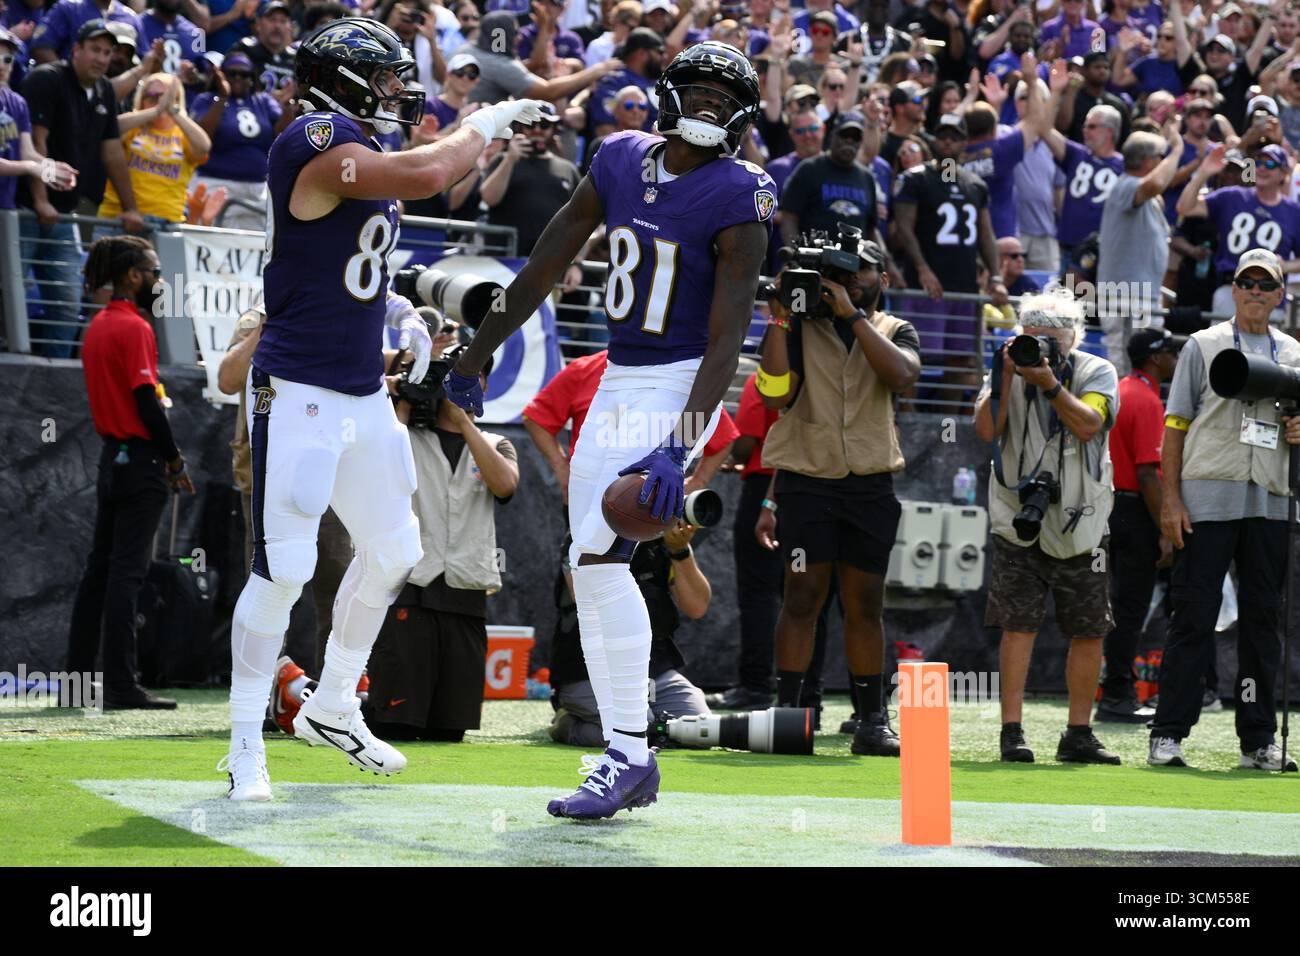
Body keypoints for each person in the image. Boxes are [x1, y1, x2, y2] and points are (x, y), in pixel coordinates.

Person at [218, 16, 545, 801]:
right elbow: (430, 177)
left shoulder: (356, 141)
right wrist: (489, 122)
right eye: (390, 77)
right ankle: (241, 749)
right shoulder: (313, 134)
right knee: (286, 568)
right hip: (295, 390)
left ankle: (333, 703)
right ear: (343, 78)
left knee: (397, 552)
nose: (402, 90)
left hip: (362, 392)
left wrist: (398, 346)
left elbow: (352, 273)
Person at [447, 41, 771, 819]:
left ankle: (630, 751)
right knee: (588, 566)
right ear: (666, 95)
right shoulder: (621, 157)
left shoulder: (742, 192)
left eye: (722, 102)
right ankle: (628, 753)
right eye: (695, 92)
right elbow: (545, 261)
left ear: (742, 119)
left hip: (676, 379)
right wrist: (475, 350)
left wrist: (677, 443)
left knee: (602, 550)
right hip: (619, 374)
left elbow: (727, 339)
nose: (706, 109)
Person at [757, 237, 921, 756]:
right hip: (808, 480)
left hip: (869, 484)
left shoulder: (895, 330)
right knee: (801, 597)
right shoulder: (801, 328)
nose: (851, 279)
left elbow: (903, 378)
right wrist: (780, 318)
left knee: (865, 604)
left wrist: (852, 316)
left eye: (863, 271)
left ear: (883, 280)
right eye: (841, 272)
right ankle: (788, 713)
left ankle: (871, 719)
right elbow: (773, 393)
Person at [1150, 248, 1300, 772]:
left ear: (1280, 295)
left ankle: (1258, 739)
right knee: (1193, 615)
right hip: (1207, 498)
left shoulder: (1295, 354)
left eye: (1267, 283)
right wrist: (1170, 499)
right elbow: (1174, 426)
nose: (1256, 290)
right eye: (1247, 281)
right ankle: (1168, 733)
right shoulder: (1202, 344)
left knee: (1264, 620)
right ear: (1232, 290)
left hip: (1273, 500)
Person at [973, 288, 1122, 765]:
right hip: (1019, 517)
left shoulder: (1097, 371)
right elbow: (983, 431)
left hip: (1082, 519)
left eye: (1052, 342)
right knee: (1018, 625)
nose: (1042, 351)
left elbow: (1087, 425)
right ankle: (1011, 732)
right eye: (1033, 340)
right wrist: (1005, 377)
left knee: (1089, 629)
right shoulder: (1006, 367)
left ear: (1073, 338)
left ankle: (1078, 732)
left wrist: (1051, 384)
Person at [66, 234, 195, 712]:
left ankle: (75, 683)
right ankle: (122, 685)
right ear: (132, 275)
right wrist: (175, 460)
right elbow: (145, 400)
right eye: (153, 271)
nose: (158, 279)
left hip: (110, 460)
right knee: (127, 575)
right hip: (139, 462)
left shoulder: (96, 327)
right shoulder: (134, 326)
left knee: (99, 572)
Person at [368, 348, 518, 742]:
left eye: (471, 378)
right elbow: (381, 473)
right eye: (449, 379)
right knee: (395, 722)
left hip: (466, 594)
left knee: (451, 728)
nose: (458, 388)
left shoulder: (497, 443)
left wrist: (464, 422)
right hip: (409, 587)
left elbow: (505, 486)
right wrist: (404, 400)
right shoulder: (407, 435)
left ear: (482, 386)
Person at [19, 19, 144, 358]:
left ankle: (54, 382)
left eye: (108, 52)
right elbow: (36, 144)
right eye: (95, 50)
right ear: (76, 49)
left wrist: (131, 208)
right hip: (22, 210)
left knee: (67, 299)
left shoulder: (103, 89)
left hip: (64, 215)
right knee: (11, 290)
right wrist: (41, 200)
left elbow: (113, 152)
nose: (102, 58)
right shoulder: (46, 79)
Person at [550, 520, 711, 747]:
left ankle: (649, 720)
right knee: (638, 732)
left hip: (654, 669)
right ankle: (567, 725)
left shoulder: (660, 540)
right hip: (592, 671)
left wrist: (680, 550)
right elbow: (588, 599)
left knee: (701, 731)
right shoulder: (585, 535)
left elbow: (697, 607)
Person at [1098, 327, 1182, 724]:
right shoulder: (1146, 400)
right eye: (1170, 352)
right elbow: (1149, 474)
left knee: (1113, 605)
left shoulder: (1121, 389)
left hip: (1110, 507)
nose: (1176, 359)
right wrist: (1166, 527)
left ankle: (1112, 689)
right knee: (1129, 609)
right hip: (1135, 512)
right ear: (1154, 358)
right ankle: (1117, 695)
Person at [891, 111, 1007, 398]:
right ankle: (910, 426)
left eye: (954, 137)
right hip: (927, 284)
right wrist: (922, 268)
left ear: (964, 142)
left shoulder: (975, 185)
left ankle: (947, 430)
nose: (947, 142)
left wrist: (995, 276)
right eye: (942, 135)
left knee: (961, 361)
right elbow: (904, 228)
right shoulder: (916, 179)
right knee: (913, 359)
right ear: (933, 139)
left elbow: (985, 234)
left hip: (963, 284)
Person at [1176, 142, 1300, 318]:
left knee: (1264, 345)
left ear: (1283, 173)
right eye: (1258, 162)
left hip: (1270, 294)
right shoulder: (1231, 196)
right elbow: (1184, 208)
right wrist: (1203, 172)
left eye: (1270, 164)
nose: (1262, 168)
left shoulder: (1294, 212)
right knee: (1225, 345)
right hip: (1232, 290)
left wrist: (1286, 266)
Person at [1095, 127, 1181, 373]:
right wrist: (1177, 151)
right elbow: (1154, 183)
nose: (1163, 163)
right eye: (1160, 157)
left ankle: (1137, 411)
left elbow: (1156, 187)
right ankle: (1117, 411)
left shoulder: (1147, 196)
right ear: (1147, 160)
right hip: (1125, 293)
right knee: (1124, 366)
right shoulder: (1126, 185)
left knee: (1146, 363)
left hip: (1140, 294)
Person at [191, 53, 292, 231]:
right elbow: (202, 138)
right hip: (215, 183)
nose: (238, 78)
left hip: (257, 187)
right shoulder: (206, 99)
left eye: (244, 74)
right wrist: (222, 97)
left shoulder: (263, 101)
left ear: (252, 78)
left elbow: (281, 137)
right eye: (232, 73)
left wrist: (288, 108)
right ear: (221, 75)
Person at [97, 71, 211, 228]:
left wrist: (173, 111)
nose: (160, 102)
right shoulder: (133, 126)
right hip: (118, 217)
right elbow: (111, 129)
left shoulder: (184, 134)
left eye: (166, 98)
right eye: (152, 97)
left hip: (166, 221)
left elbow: (204, 147)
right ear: (142, 99)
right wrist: (156, 111)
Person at [481, 101, 581, 256]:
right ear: (520, 129)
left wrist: (577, 262)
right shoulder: (503, 160)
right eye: (531, 125)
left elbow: (580, 219)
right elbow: (488, 198)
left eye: (544, 125)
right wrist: (510, 160)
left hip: (548, 262)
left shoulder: (568, 169)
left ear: (554, 129)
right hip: (505, 259)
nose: (537, 130)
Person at [778, 110, 883, 251]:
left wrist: (882, 259)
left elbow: (871, 228)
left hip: (854, 264)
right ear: (832, 134)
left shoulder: (866, 177)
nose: (849, 141)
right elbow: (788, 218)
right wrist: (796, 253)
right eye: (844, 135)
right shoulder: (809, 169)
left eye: (855, 137)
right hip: (814, 260)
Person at [0, 28, 77, 213]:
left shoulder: (17, 103)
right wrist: (31, 167)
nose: (1, 65)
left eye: (7, 59)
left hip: (6, 209)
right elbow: (28, 163)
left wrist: (50, 168)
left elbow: (27, 153)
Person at [29, 0, 141, 64]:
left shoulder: (130, 17)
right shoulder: (69, 7)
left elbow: (140, 60)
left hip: (113, 93)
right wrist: (65, 79)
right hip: (68, 90)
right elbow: (41, 47)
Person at [226, 0, 295, 95]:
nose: (277, 26)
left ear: (290, 28)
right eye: (272, 20)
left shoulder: (295, 58)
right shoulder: (245, 50)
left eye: (283, 21)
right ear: (258, 25)